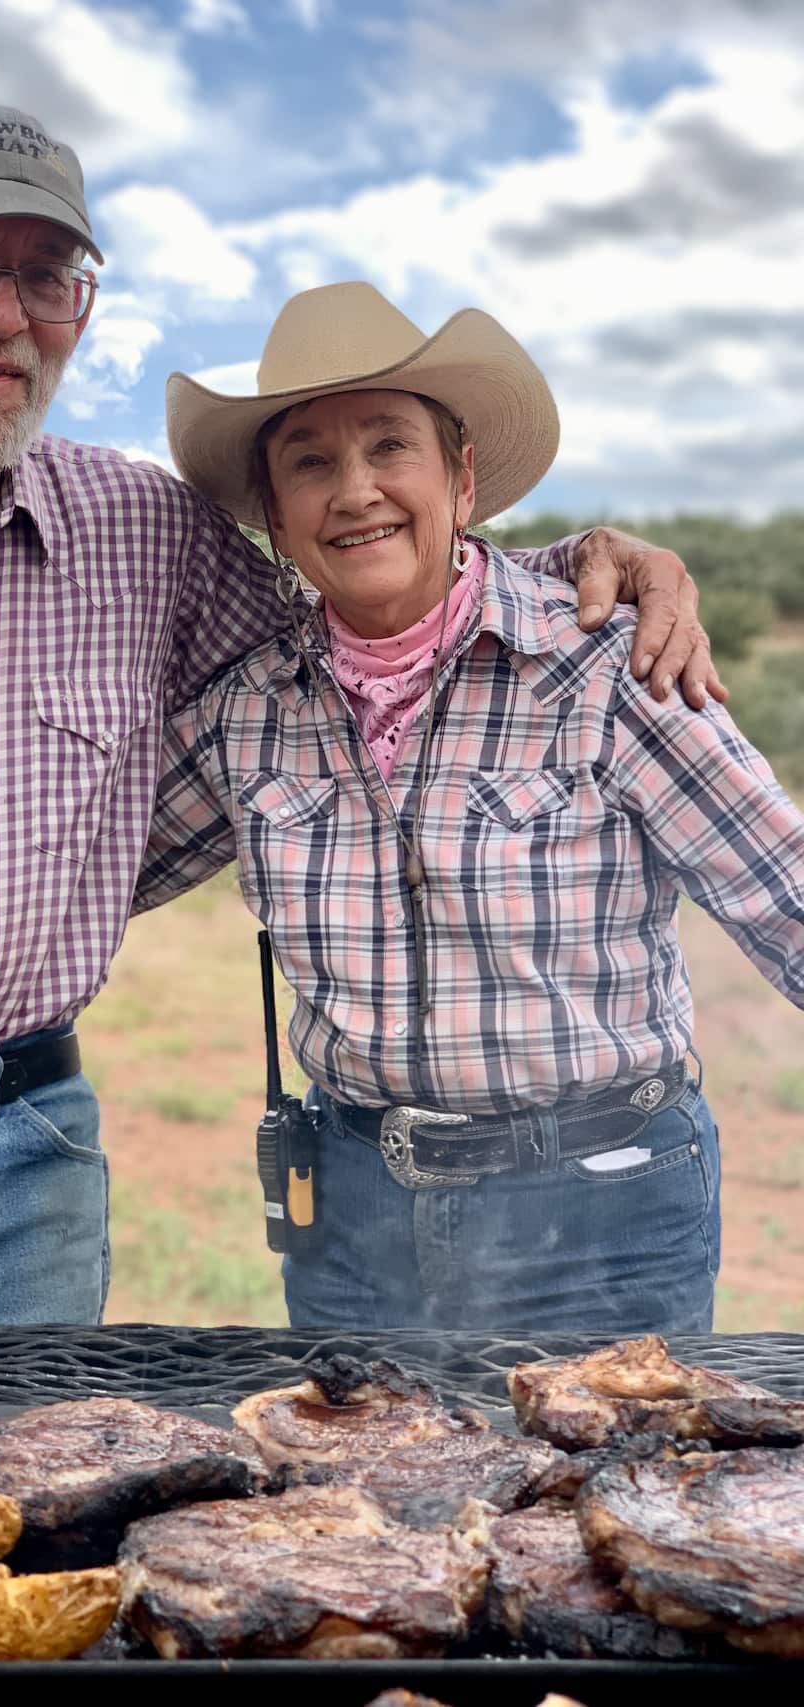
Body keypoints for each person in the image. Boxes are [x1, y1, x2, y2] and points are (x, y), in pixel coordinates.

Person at [0, 103, 717, 1374]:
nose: (3, 315)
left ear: (81, 313)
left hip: (25, 1173)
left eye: (46, 278)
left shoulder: (144, 533)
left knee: (11, 1550)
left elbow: (372, 605)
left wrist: (577, 578)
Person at [135, 280, 804, 1335]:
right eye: (309, 461)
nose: (353, 491)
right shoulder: (247, 712)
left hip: (600, 1208)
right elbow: (71, 875)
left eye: (388, 447)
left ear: (459, 476)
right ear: (274, 512)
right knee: (351, 1499)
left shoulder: (602, 663)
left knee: (602, 1493)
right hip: (352, 1217)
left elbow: (784, 893)